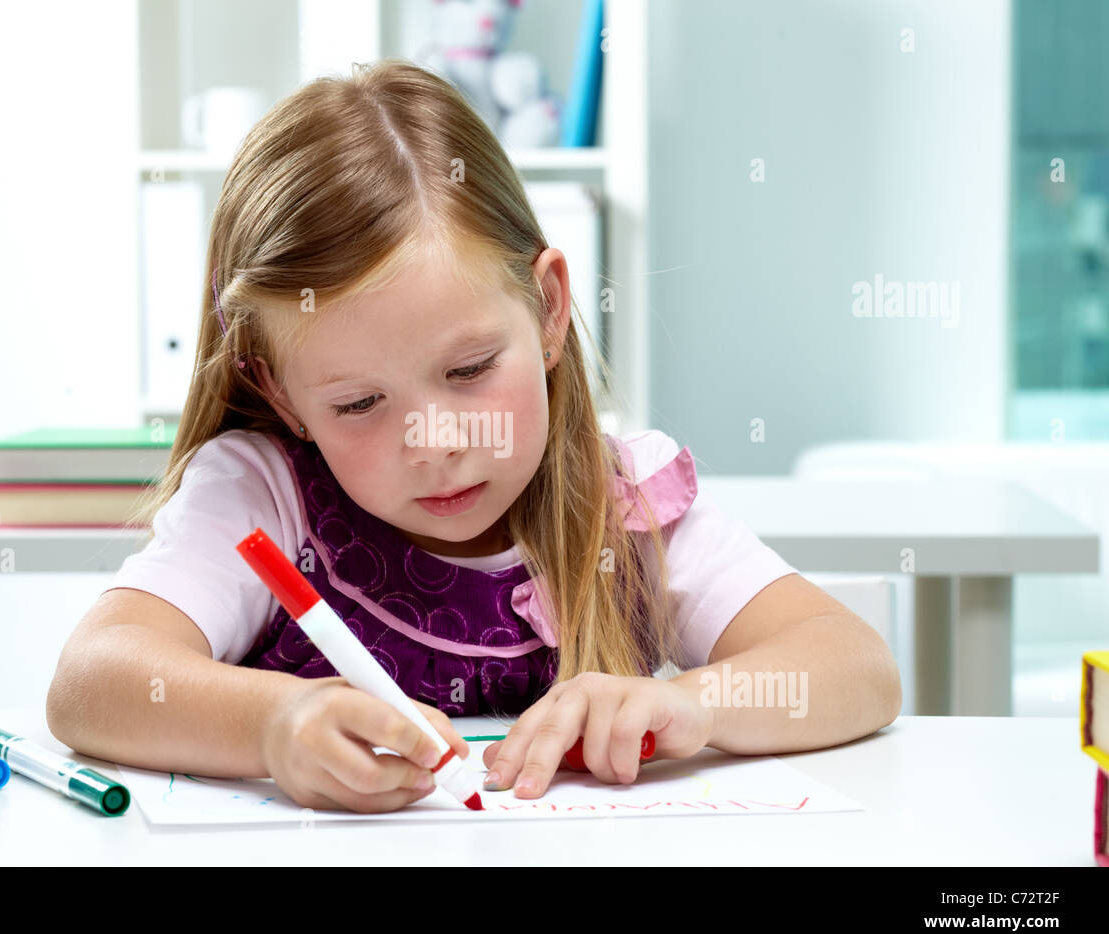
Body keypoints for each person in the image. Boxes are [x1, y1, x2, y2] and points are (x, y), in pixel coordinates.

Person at [46, 59, 901, 814]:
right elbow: (94, 681)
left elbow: (854, 665)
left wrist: (700, 705)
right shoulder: (261, 495)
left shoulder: (628, 504)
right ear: (279, 391)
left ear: (550, 309)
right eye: (357, 404)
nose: (434, 441)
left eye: (468, 371)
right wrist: (273, 723)